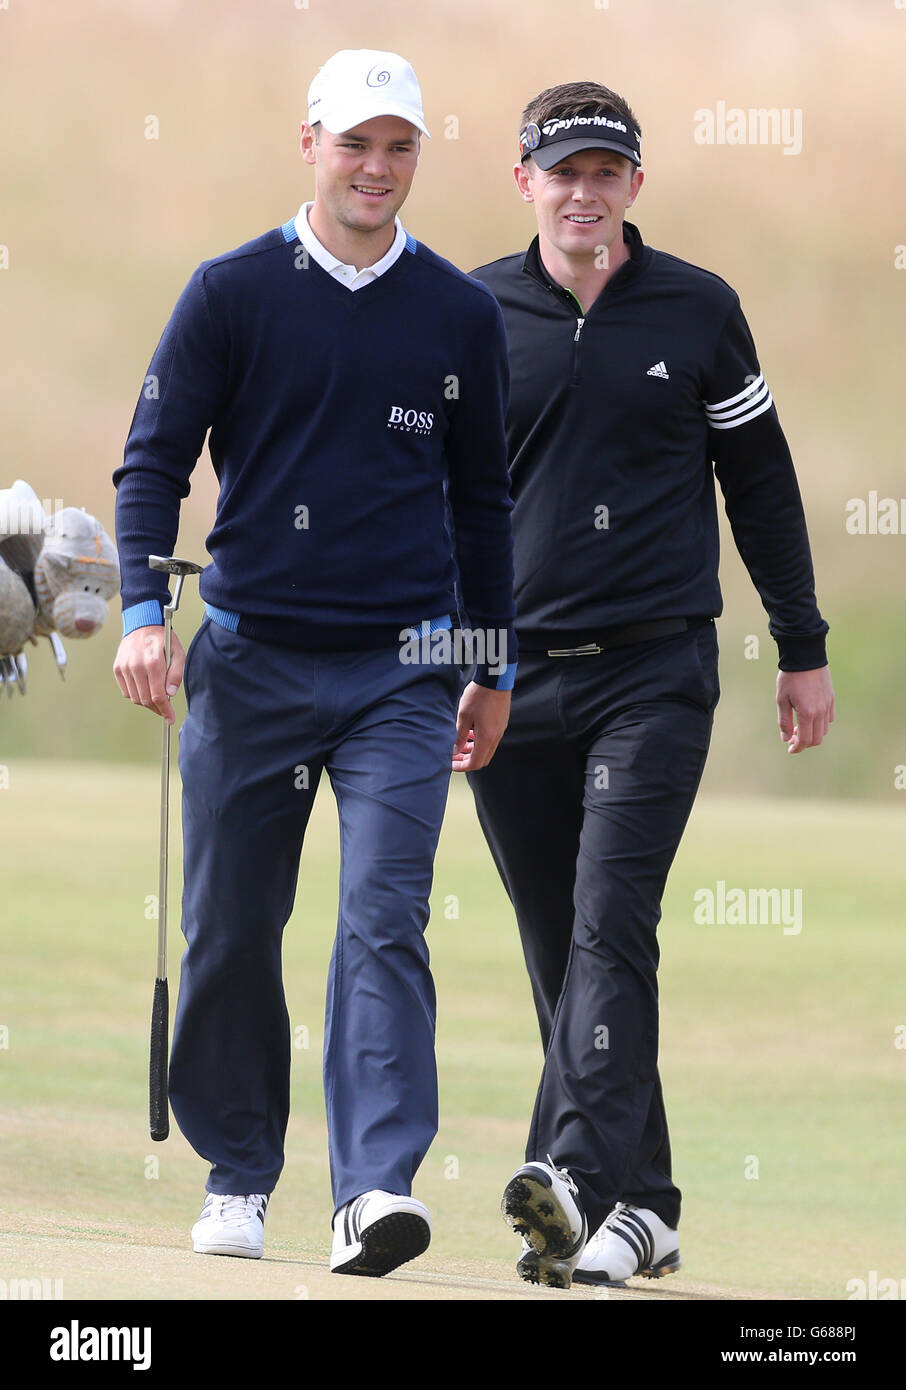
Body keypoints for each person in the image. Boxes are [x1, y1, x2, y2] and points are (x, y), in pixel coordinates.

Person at [112, 48, 516, 1278]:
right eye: (356, 144)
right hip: (249, 661)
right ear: (311, 145)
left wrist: (489, 666)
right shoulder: (231, 292)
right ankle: (239, 1170)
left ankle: (375, 1187)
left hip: (406, 671)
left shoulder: (460, 313)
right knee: (234, 925)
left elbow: (483, 507)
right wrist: (140, 609)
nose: (378, 168)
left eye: (399, 147)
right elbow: (152, 463)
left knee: (383, 915)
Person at [466, 80, 834, 1289]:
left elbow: (762, 481)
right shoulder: (472, 312)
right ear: (525, 180)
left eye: (605, 172)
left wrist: (801, 644)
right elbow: (427, 503)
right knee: (561, 953)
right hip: (512, 685)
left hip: (655, 672)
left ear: (635, 185)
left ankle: (569, 1175)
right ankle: (651, 1208)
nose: (584, 193)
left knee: (609, 917)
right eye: (562, 171)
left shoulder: (698, 307)